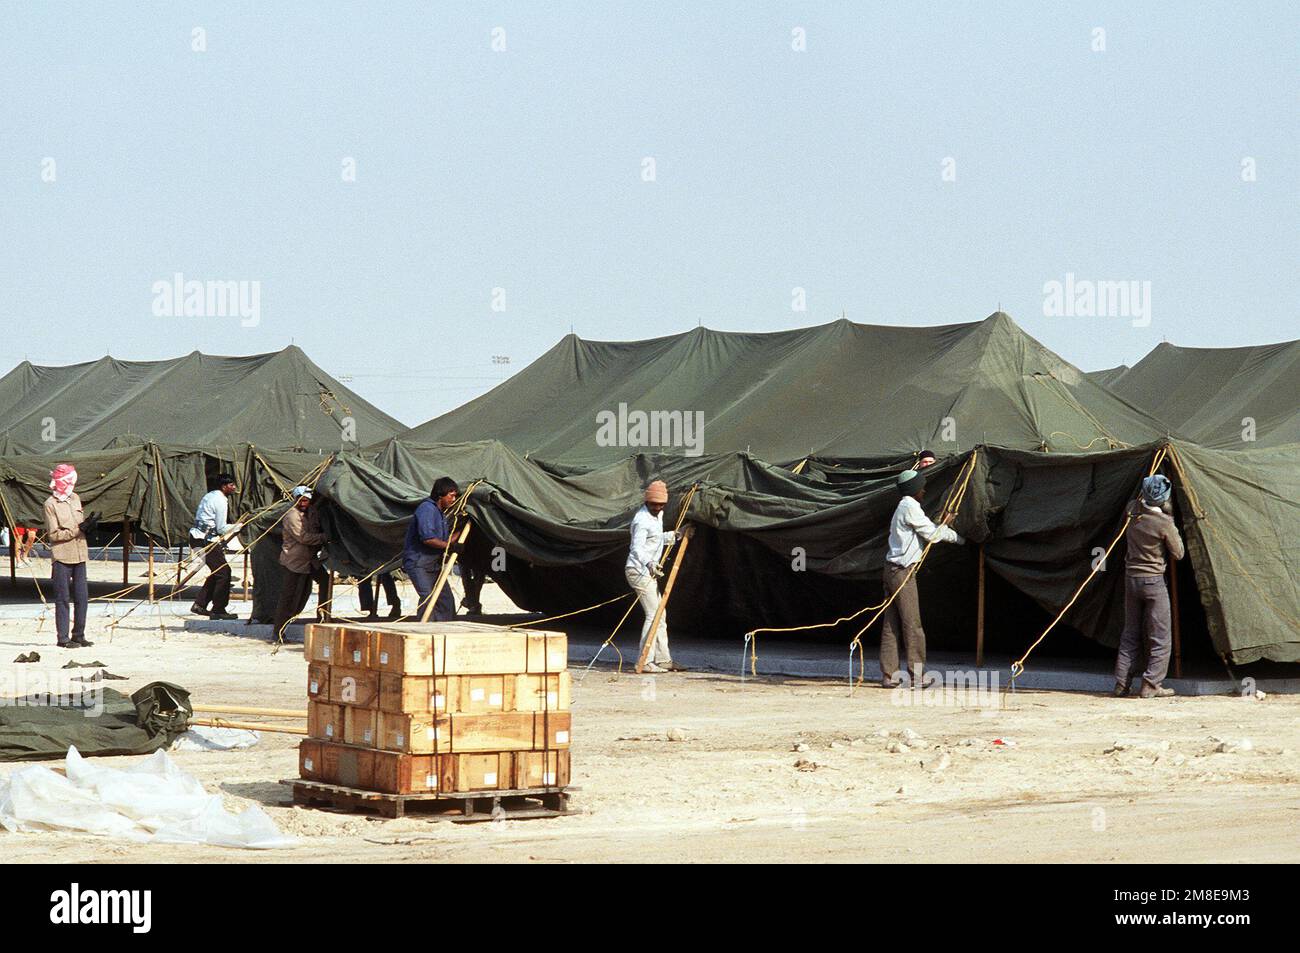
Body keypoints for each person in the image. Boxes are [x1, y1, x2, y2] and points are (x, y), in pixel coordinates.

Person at [879, 468, 965, 687]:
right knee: (912, 624)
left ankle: (889, 676)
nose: (924, 491)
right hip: (902, 572)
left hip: (890, 569)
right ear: (914, 490)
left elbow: (928, 530)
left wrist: (943, 523)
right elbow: (932, 534)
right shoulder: (909, 506)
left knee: (891, 624)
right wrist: (957, 538)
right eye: (922, 487)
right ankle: (917, 675)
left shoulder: (904, 506)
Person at [1113, 475, 1185, 699]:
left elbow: (1136, 502)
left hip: (1131, 579)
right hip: (1153, 581)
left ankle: (1121, 683)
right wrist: (1170, 518)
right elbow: (1179, 553)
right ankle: (1151, 685)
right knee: (1160, 636)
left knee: (1130, 633)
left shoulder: (1132, 510)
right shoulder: (1164, 523)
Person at [625, 480, 690, 673]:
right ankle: (644, 661)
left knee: (660, 614)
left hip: (648, 572)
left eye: (661, 504)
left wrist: (677, 535)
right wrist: (650, 563)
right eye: (654, 504)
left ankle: (663, 659)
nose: (657, 507)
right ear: (647, 501)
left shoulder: (658, 515)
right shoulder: (641, 520)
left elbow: (657, 538)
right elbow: (636, 548)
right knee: (653, 615)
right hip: (638, 571)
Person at [43, 464, 98, 648]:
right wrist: (77, 530)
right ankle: (63, 638)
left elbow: (80, 524)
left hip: (80, 554)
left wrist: (88, 526)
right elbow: (54, 535)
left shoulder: (75, 498)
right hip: (62, 557)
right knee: (63, 598)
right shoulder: (50, 504)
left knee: (82, 597)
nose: (71, 485)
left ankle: (79, 635)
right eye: (69, 481)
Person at [272, 486, 329, 640]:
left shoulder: (312, 512)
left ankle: (322, 618)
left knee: (326, 582)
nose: (304, 503)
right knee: (289, 598)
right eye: (301, 500)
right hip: (294, 561)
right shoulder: (291, 516)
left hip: (310, 560)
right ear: (296, 499)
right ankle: (278, 632)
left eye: (306, 500)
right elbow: (303, 537)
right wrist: (324, 538)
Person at [402, 477, 460, 621]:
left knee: (446, 601)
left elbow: (444, 541)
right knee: (428, 599)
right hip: (419, 563)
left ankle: (444, 632)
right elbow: (428, 539)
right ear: (441, 495)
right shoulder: (427, 509)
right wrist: (449, 545)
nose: (454, 500)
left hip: (434, 565)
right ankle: (425, 632)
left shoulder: (441, 513)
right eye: (451, 496)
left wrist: (458, 535)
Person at [189, 473, 241, 621]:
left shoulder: (210, 495)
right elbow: (221, 528)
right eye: (231, 485)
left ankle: (200, 604)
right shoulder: (220, 500)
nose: (234, 488)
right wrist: (240, 526)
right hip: (205, 540)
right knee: (224, 572)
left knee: (218, 572)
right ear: (224, 487)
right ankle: (218, 610)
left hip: (198, 538)